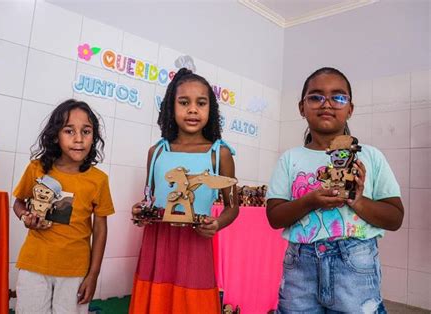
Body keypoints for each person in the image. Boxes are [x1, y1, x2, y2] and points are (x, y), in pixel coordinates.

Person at [266, 67, 404, 313]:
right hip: (301, 267)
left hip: (356, 266)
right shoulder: (290, 159)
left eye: (338, 97)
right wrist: (310, 201)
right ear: (301, 107)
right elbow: (275, 217)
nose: (326, 103)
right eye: (316, 96)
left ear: (350, 109)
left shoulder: (370, 157)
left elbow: (395, 217)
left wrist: (357, 200)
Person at [129, 68, 239, 314]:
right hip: (157, 245)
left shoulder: (219, 154)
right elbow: (150, 199)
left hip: (195, 245)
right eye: (184, 102)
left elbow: (233, 208)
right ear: (171, 107)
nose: (192, 109)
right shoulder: (156, 152)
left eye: (201, 103)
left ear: (211, 110)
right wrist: (141, 211)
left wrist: (217, 224)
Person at [13, 99, 114, 313]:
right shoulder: (37, 168)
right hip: (34, 264)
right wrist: (25, 218)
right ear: (56, 135)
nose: (79, 139)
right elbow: (19, 203)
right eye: (69, 131)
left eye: (86, 131)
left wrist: (93, 274)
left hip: (75, 270)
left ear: (93, 137)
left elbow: (100, 228)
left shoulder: (98, 180)